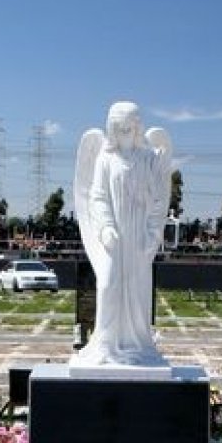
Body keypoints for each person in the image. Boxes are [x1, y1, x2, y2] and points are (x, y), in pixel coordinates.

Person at [71, 101, 172, 366]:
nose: (127, 132)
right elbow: (97, 196)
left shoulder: (148, 159)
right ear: (113, 129)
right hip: (115, 237)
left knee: (138, 289)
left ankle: (138, 344)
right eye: (121, 127)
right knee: (107, 284)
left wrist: (153, 232)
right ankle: (105, 343)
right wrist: (104, 227)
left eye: (131, 127)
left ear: (138, 127)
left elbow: (160, 198)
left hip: (138, 236)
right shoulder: (105, 159)